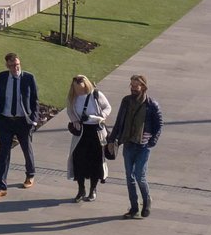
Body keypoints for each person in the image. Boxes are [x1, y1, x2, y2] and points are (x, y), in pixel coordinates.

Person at [109, 73, 164, 218]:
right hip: (128, 143)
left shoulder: (151, 105)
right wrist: (111, 139)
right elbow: (119, 121)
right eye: (131, 86)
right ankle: (134, 208)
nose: (133, 89)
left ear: (143, 87)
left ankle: (146, 202)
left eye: (135, 86)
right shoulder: (126, 101)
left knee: (140, 176)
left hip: (143, 146)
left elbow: (159, 125)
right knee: (129, 177)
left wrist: (152, 141)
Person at [0, 51, 40, 197]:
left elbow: (35, 100)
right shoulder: (2, 77)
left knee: (26, 149)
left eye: (17, 65)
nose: (15, 68)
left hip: (23, 121)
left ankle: (30, 174)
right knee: (3, 153)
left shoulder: (28, 78)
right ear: (7, 65)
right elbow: (0, 97)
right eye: (11, 66)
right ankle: (1, 186)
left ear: (19, 63)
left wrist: (34, 120)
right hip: (5, 121)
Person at [64, 73, 112, 201]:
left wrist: (101, 117)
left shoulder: (95, 95)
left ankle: (93, 190)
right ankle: (81, 189)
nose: (78, 91)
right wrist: (74, 120)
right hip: (81, 132)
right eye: (76, 89)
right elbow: (69, 110)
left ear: (86, 85)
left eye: (80, 88)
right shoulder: (72, 97)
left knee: (95, 162)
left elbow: (107, 107)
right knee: (78, 160)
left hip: (95, 131)